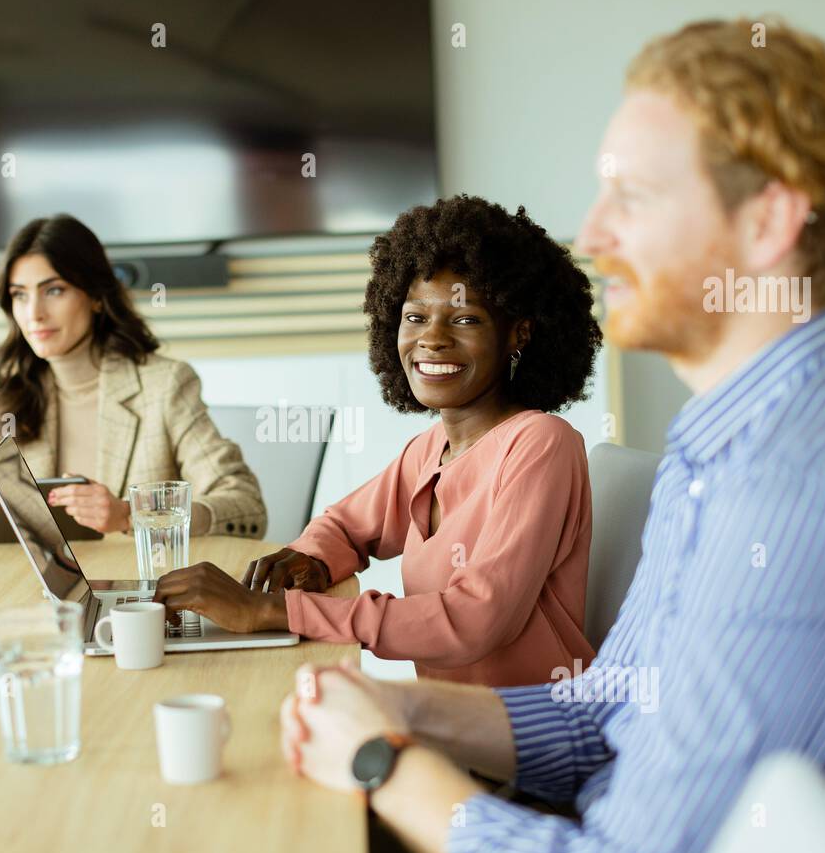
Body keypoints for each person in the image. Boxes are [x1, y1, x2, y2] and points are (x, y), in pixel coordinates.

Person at [277, 18, 825, 853]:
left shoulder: (798, 495)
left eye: (631, 196)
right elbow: (610, 714)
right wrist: (405, 711)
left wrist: (383, 763)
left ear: (769, 221)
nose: (593, 235)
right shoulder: (720, 452)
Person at [155, 195, 603, 686]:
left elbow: (474, 621)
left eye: (465, 319)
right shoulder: (431, 449)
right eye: (415, 317)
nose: (431, 338)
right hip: (451, 720)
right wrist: (309, 562)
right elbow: (345, 527)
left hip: (529, 736)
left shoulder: (541, 443)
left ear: (518, 334)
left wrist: (276, 612)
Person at [0, 214, 266, 538]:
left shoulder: (165, 386)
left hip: (137, 602)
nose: (34, 314)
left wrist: (131, 515)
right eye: (19, 295)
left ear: (94, 295)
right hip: (40, 599)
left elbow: (245, 506)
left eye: (54, 290)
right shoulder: (16, 395)